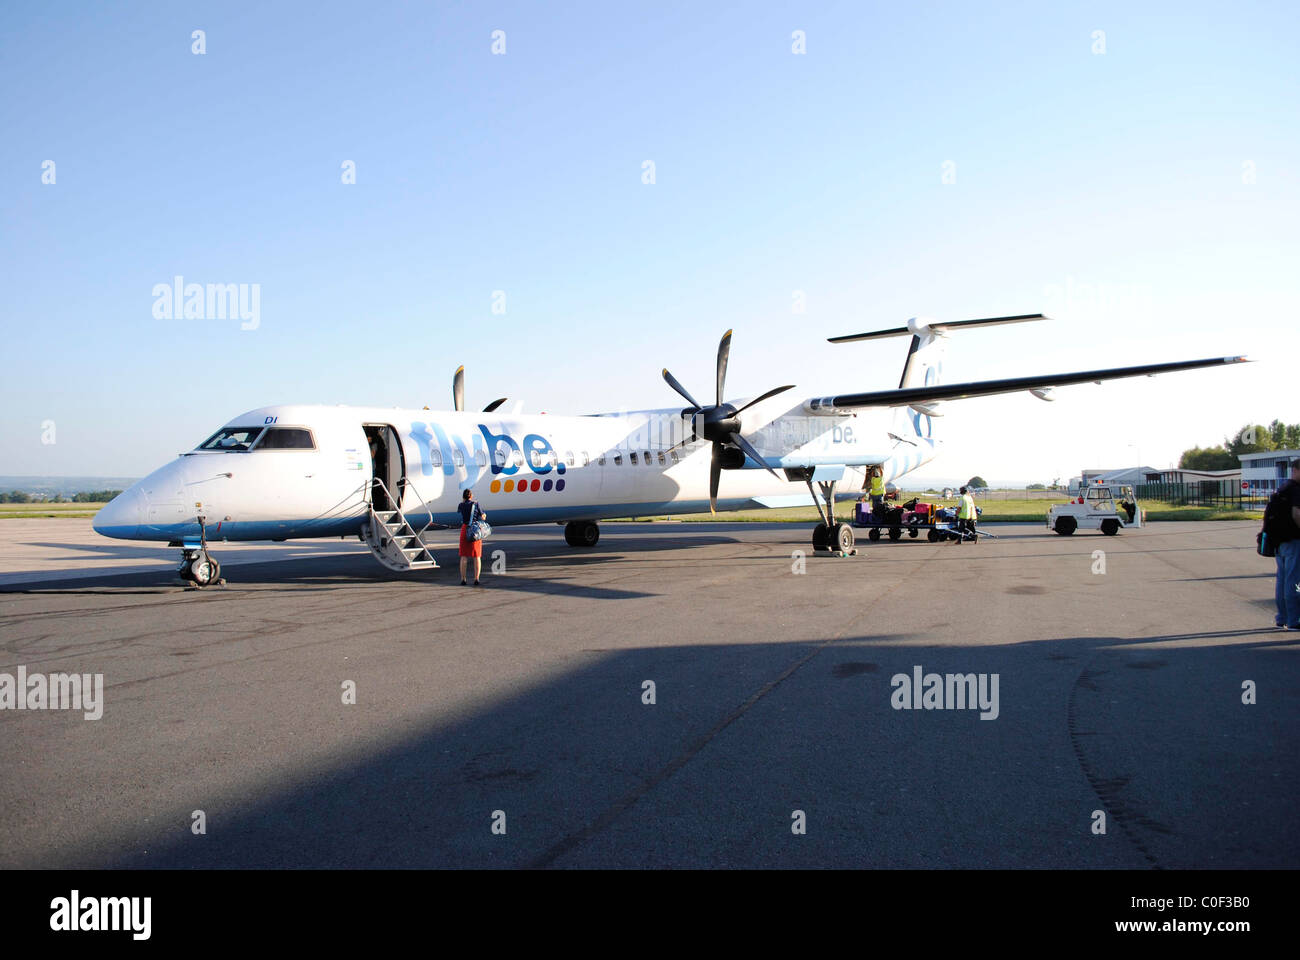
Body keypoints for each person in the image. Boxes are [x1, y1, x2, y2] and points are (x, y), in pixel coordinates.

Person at [1272, 459, 1300, 630]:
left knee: (1282, 580)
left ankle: (1282, 617)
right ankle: (1294, 619)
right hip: (1294, 540)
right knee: (1295, 581)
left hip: (1279, 541)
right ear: (1296, 470)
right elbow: (1297, 514)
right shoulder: (1297, 490)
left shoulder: (1283, 488)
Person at [457, 488, 487, 586]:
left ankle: (463, 579)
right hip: (474, 530)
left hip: (465, 528)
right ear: (471, 496)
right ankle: (476, 578)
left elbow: (460, 512)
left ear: (463, 496)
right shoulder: (476, 504)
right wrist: (483, 515)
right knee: (476, 556)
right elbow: (483, 516)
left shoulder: (461, 505)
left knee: (464, 556)